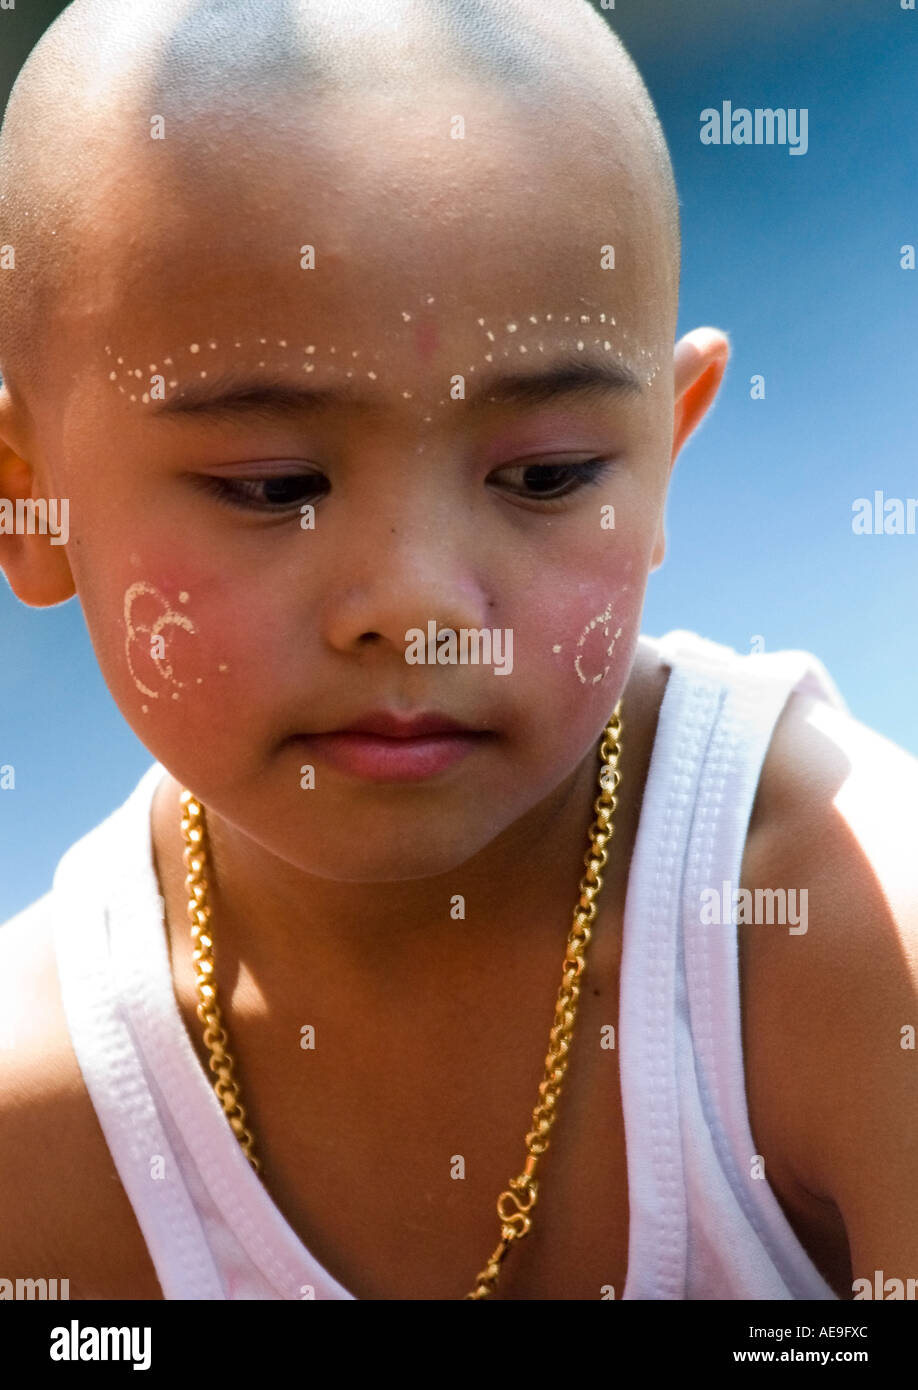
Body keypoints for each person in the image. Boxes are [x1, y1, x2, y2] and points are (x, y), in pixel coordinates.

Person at [0, 0, 915, 1302]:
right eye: (273, 486)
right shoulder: (45, 1125)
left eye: (545, 474)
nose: (417, 604)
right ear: (28, 502)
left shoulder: (834, 948)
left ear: (665, 459)